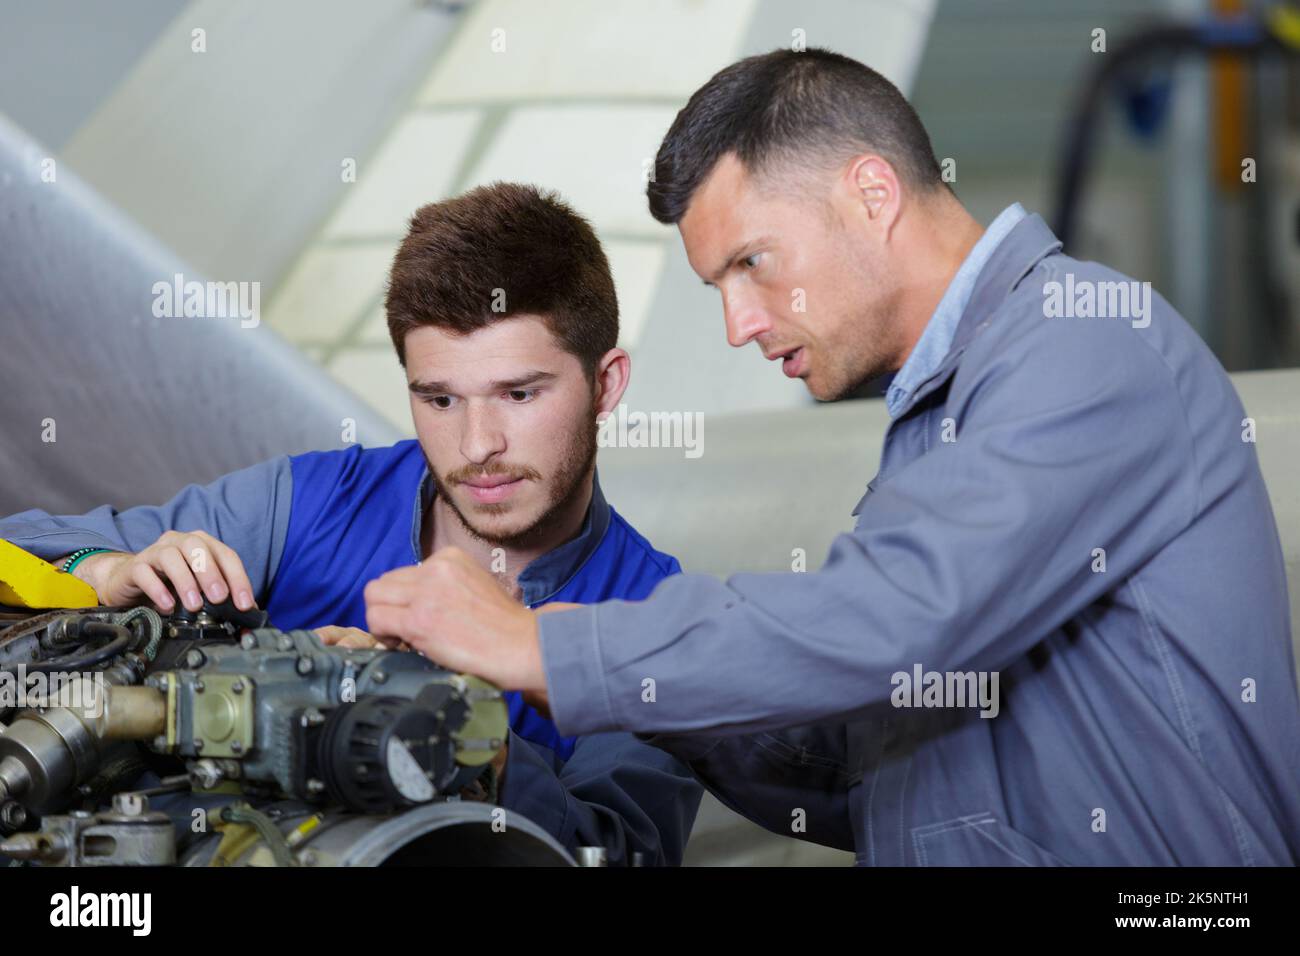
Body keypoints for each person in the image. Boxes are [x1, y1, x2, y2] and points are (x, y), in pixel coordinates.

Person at [362, 50, 1300, 866]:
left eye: (751, 264)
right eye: (717, 286)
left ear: (870, 194)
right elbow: (862, 777)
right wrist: (603, 679)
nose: (738, 324)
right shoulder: (940, 416)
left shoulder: (1082, 342)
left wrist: (551, 647)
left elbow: (897, 620)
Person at [0, 182, 702, 866]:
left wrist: (453, 727)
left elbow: (618, 848)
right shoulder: (309, 501)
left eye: (518, 394)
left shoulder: (657, 618)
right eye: (439, 398)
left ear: (606, 384)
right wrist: (101, 570)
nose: (478, 444)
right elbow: (21, 547)